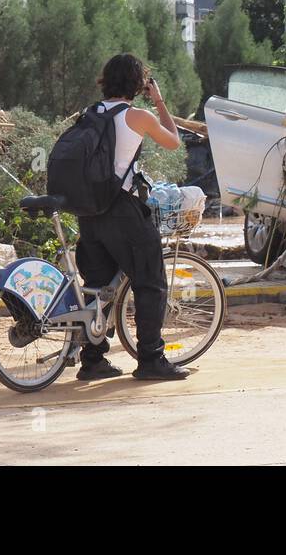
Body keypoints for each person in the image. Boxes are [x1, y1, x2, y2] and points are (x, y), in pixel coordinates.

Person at [74, 53, 188, 381]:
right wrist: (160, 101)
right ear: (138, 84)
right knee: (150, 280)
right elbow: (173, 141)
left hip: (88, 211)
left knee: (99, 285)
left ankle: (92, 359)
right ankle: (151, 358)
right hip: (120, 210)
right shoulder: (136, 116)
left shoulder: (89, 114)